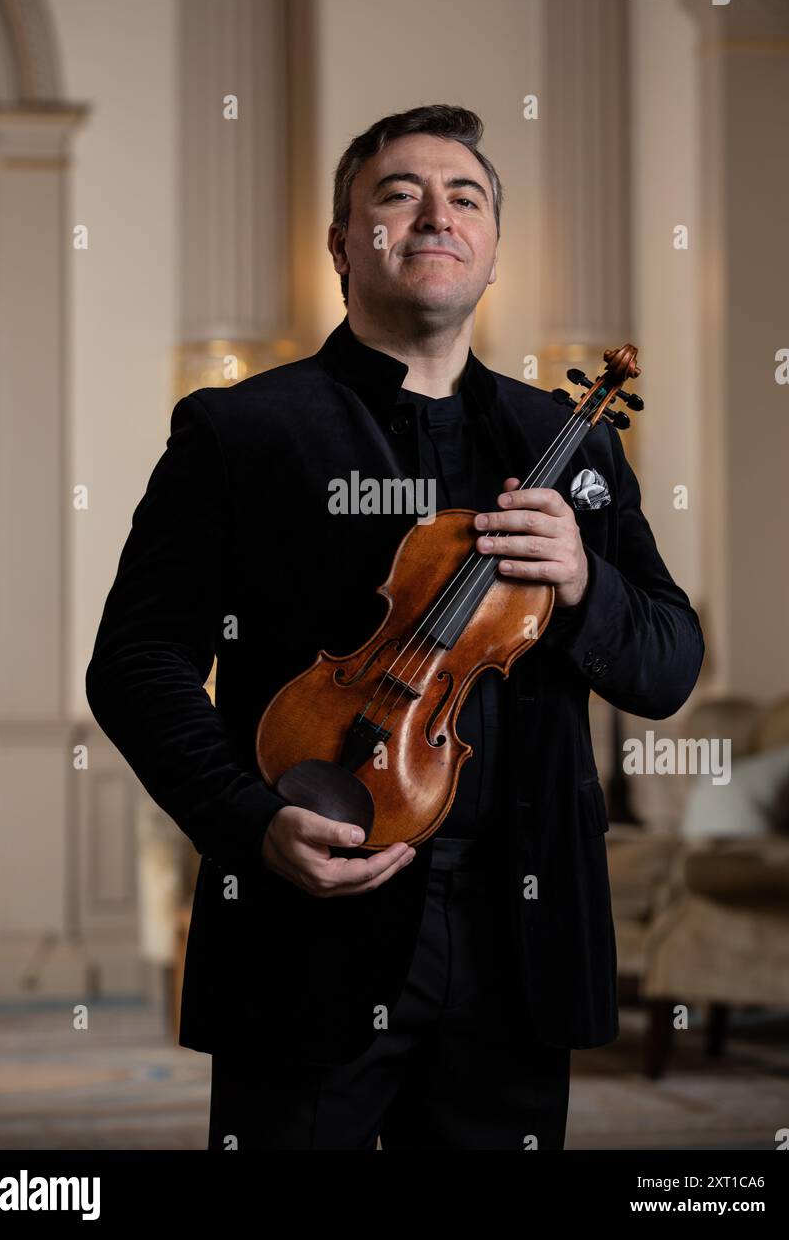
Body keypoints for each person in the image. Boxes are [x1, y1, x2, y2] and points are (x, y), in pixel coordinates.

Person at [86, 103, 704, 1150]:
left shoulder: (569, 441)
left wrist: (581, 583)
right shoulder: (238, 432)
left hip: (518, 936)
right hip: (306, 926)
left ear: (491, 250)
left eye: (463, 196)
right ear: (340, 242)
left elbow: (667, 662)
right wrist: (249, 820)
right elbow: (137, 662)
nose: (435, 214)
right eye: (396, 194)